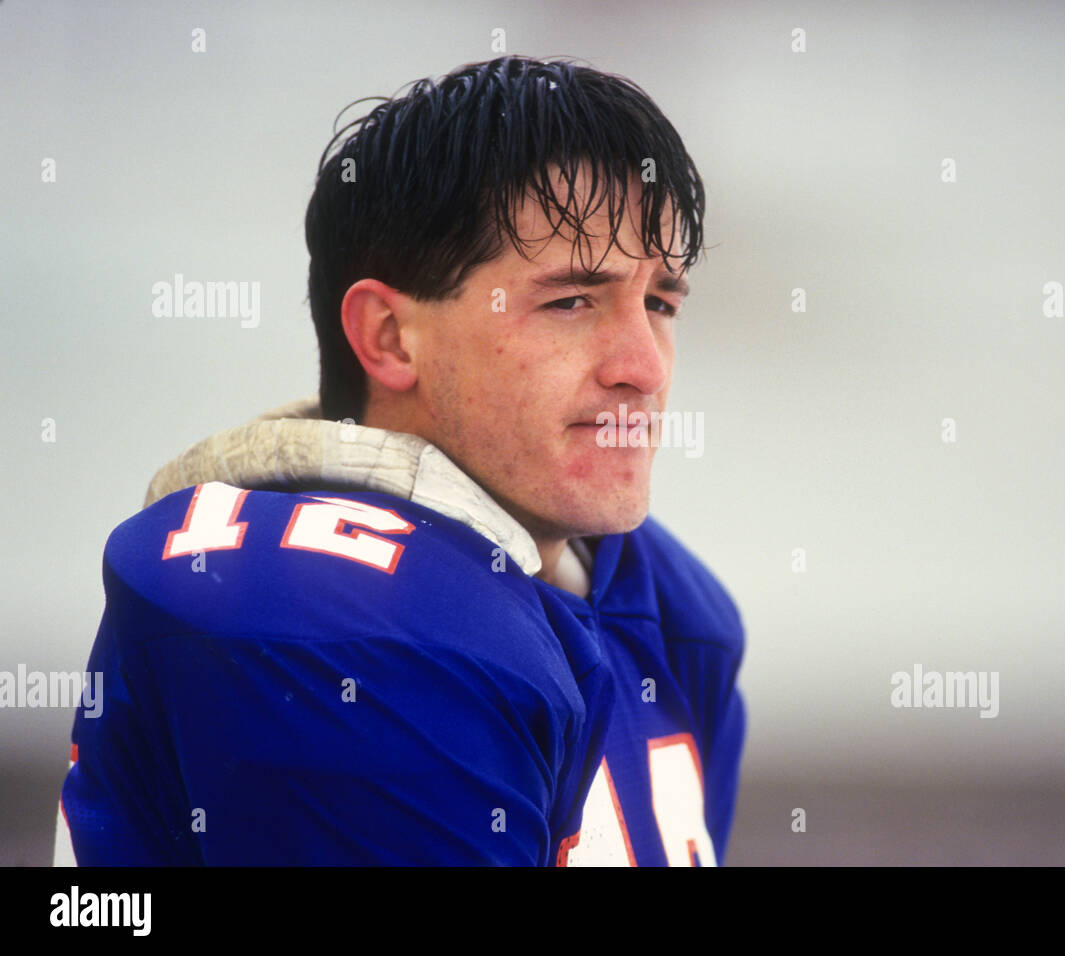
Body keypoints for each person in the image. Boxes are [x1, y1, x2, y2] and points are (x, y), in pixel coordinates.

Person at [54, 55, 746, 866]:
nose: (647, 365)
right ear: (387, 336)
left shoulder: (662, 605)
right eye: (571, 300)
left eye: (658, 301)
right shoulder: (327, 619)